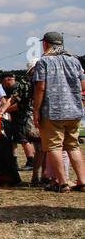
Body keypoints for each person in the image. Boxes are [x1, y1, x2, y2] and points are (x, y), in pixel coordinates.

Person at [30, 30, 85, 192]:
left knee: (54, 147)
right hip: (74, 111)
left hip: (53, 111)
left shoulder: (44, 62)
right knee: (73, 146)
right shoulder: (74, 61)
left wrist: (36, 110)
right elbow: (83, 85)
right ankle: (82, 181)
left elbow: (40, 87)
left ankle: (62, 183)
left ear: (45, 44)